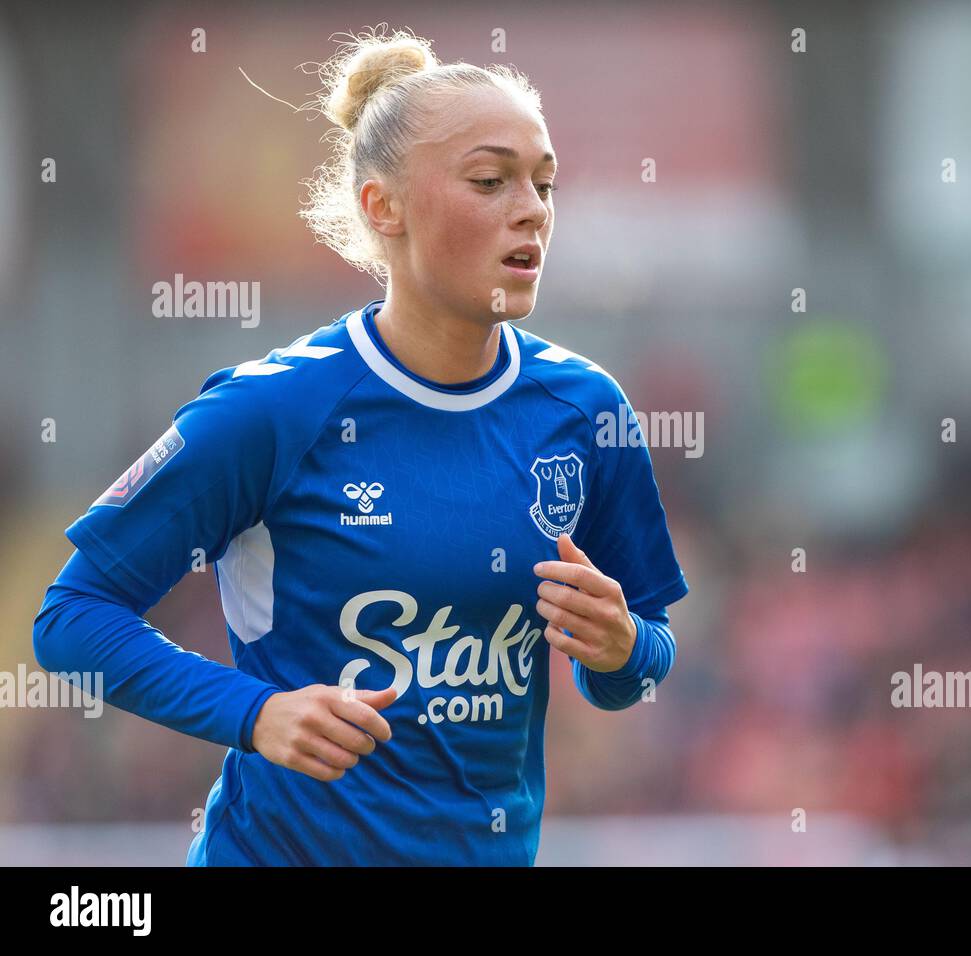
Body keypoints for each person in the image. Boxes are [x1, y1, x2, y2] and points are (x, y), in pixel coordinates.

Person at [32, 27, 689, 866]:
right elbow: (72, 620)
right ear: (384, 207)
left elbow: (639, 662)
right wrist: (256, 714)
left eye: (545, 183)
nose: (532, 209)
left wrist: (623, 647)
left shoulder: (586, 409)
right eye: (491, 181)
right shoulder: (272, 410)